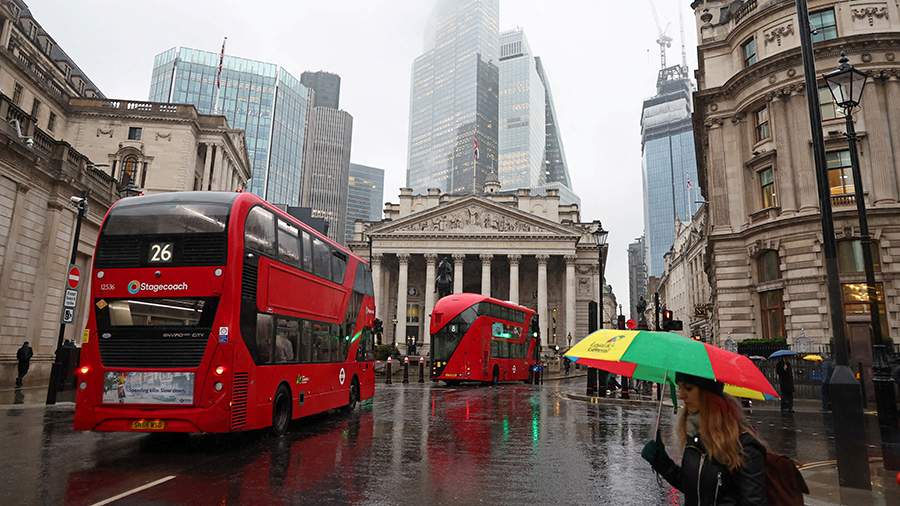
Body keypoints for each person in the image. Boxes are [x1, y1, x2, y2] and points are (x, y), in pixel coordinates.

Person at [641, 373, 767, 505]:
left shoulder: (744, 447)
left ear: (708, 394)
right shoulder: (693, 437)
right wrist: (662, 462)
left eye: (688, 388)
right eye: (679, 388)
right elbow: (693, 486)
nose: (681, 395)